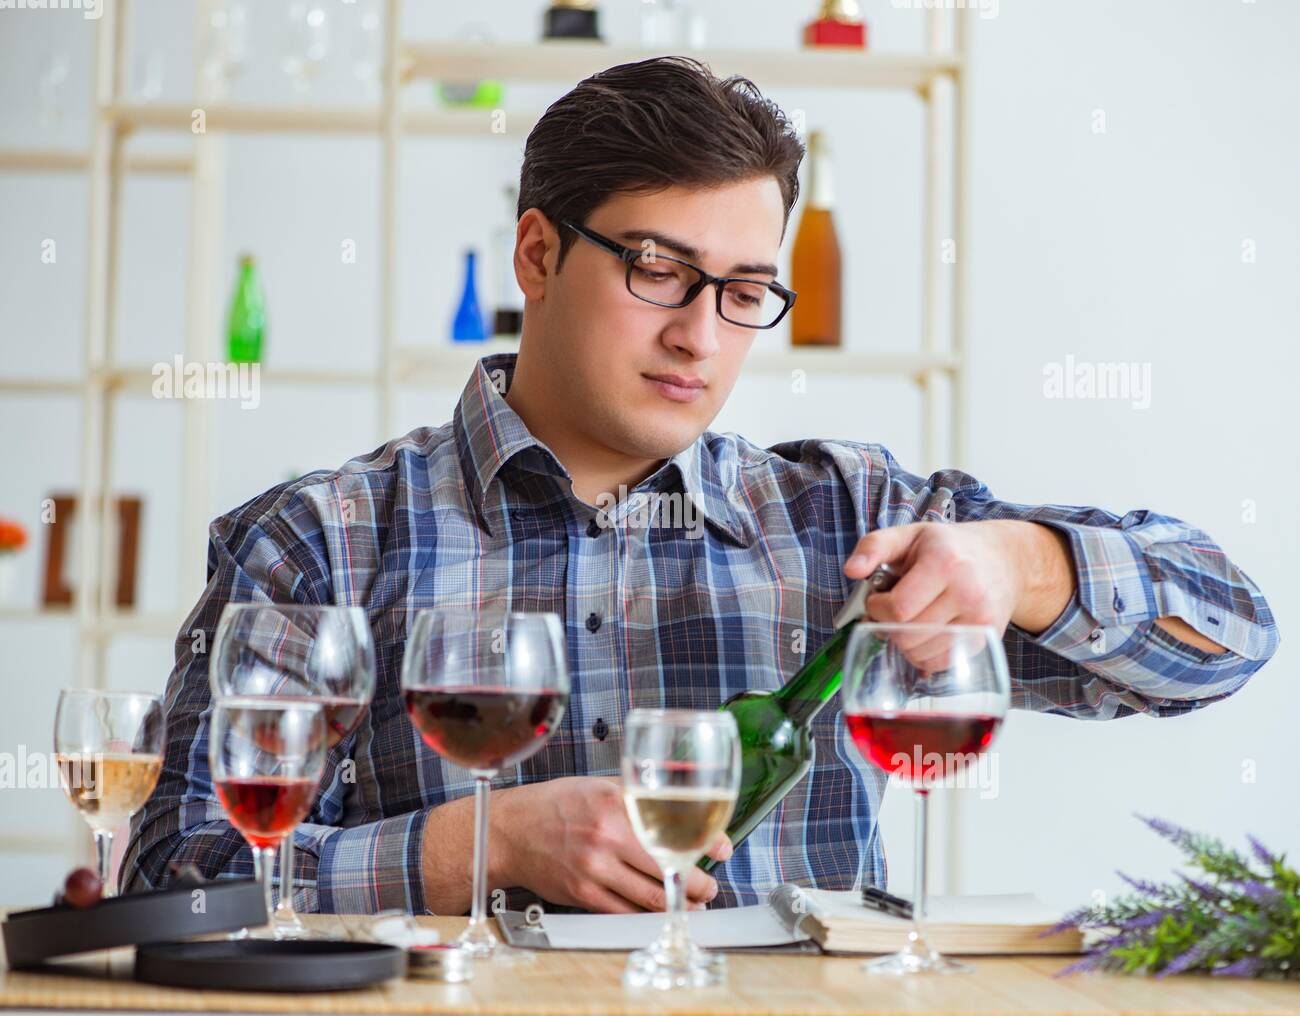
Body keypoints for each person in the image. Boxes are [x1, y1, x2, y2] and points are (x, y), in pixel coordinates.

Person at [122, 56, 1278, 916]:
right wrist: (475, 846)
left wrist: (1018, 564)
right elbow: (179, 874)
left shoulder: (851, 525)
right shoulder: (325, 539)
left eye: (742, 292)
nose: (699, 335)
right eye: (659, 270)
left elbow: (1226, 634)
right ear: (536, 254)